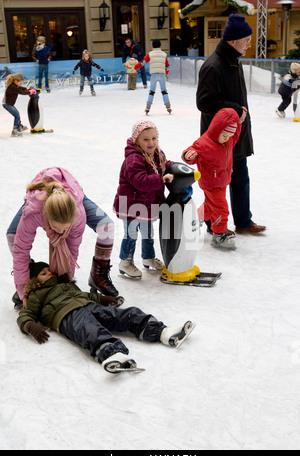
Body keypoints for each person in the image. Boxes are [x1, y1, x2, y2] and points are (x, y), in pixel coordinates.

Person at [17, 261, 195, 373]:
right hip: (67, 316)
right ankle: (112, 354)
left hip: (89, 306)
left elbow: (87, 296)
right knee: (89, 330)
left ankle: (161, 331)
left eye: (49, 270)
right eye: (43, 273)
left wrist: (104, 299)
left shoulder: (66, 285)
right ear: (34, 281)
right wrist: (31, 326)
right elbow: (25, 315)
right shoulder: (35, 295)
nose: (49, 274)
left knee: (122, 314)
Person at [6, 167, 119, 311]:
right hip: (41, 197)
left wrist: (65, 286)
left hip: (71, 193)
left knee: (106, 227)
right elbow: (21, 251)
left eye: (65, 228)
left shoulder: (78, 215)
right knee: (13, 237)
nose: (61, 232)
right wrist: (24, 291)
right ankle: (32, 278)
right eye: (56, 228)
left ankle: (98, 276)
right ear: (47, 218)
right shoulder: (34, 213)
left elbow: (71, 252)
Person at [196, 14, 266, 235]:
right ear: (234, 41)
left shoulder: (232, 61)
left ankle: (243, 221)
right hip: (219, 138)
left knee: (240, 178)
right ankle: (212, 225)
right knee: (216, 184)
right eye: (246, 40)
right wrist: (236, 110)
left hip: (235, 135)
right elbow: (204, 102)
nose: (248, 44)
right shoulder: (214, 66)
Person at [113, 120, 174, 278]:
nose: (151, 142)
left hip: (145, 204)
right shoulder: (133, 160)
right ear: (136, 140)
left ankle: (148, 257)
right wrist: (162, 180)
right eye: (146, 139)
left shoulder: (157, 154)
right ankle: (125, 262)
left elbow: (164, 165)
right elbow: (141, 182)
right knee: (131, 234)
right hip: (131, 204)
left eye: (154, 138)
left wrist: (175, 167)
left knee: (148, 233)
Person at [182, 108, 241, 250]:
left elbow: (236, 134)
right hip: (211, 183)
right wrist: (188, 155)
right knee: (221, 208)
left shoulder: (228, 141)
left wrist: (239, 121)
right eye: (224, 135)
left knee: (211, 206)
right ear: (216, 128)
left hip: (221, 181)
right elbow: (189, 153)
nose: (227, 139)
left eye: (229, 136)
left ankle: (193, 220)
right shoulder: (204, 143)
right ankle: (219, 236)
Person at [135, 39, 171, 115]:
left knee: (151, 92)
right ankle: (168, 106)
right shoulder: (164, 54)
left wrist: (134, 68)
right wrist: (166, 73)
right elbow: (167, 65)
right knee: (164, 91)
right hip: (162, 74)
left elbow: (143, 62)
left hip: (154, 75)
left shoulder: (150, 54)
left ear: (153, 45)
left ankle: (148, 107)